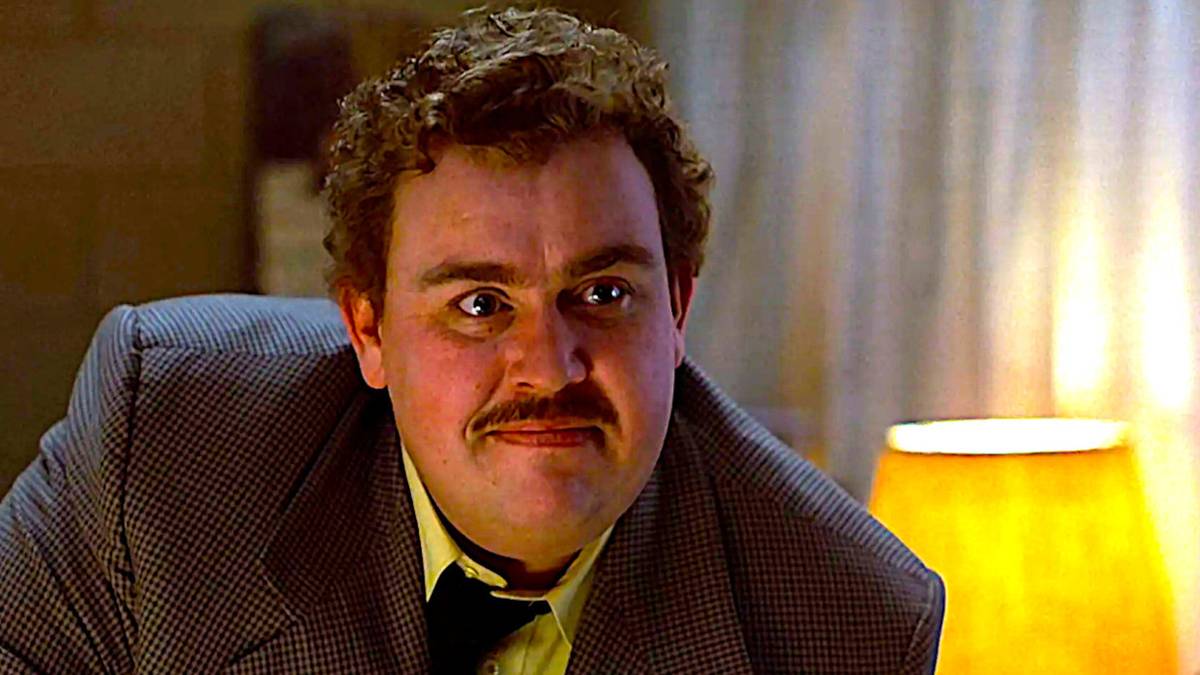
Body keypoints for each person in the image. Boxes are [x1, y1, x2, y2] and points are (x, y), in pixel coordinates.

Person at [0, 6, 944, 674]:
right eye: (481, 305)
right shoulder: (163, 446)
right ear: (368, 328)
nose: (549, 364)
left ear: (677, 312)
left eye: (603, 293)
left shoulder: (846, 620)